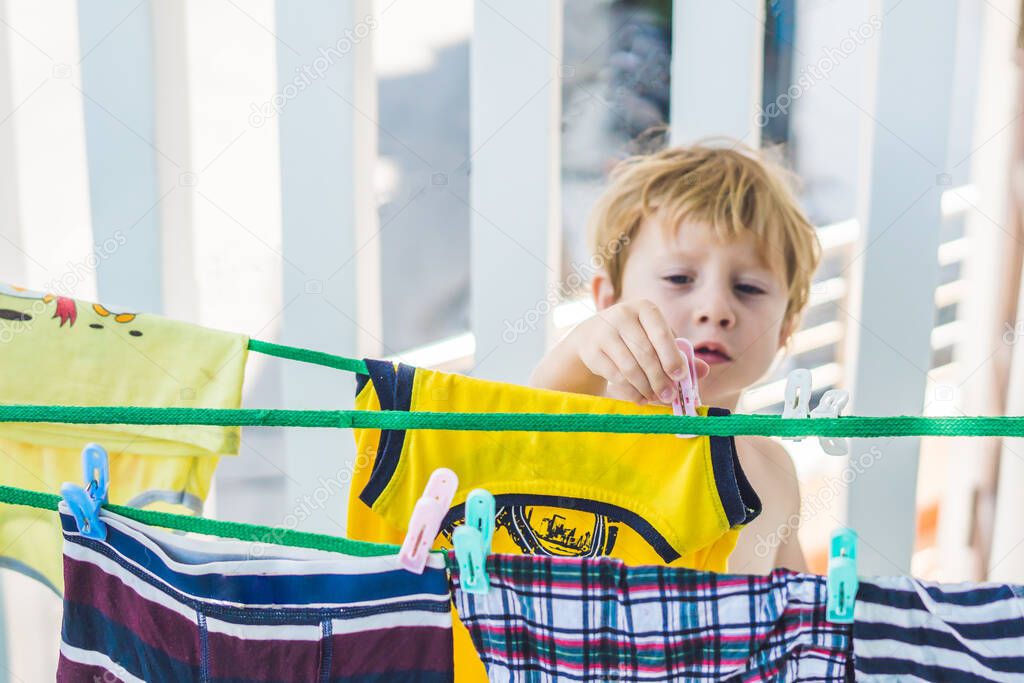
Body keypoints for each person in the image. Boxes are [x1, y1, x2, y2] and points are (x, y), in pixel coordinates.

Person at [530, 141, 822, 573]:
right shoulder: (585, 431)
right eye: (679, 278)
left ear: (786, 329)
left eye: (749, 289)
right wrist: (579, 350)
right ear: (609, 301)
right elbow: (526, 435)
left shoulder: (775, 473)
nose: (716, 309)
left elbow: (795, 620)